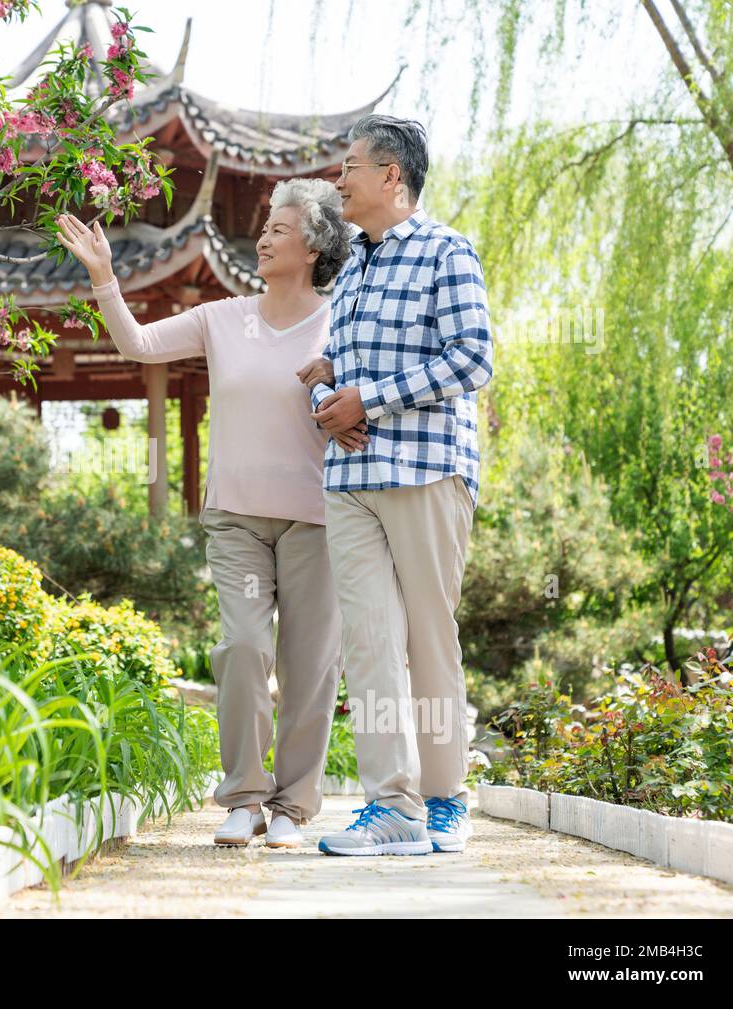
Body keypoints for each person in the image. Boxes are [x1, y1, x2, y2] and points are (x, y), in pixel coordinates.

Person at [56, 178, 355, 849]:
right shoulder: (223, 317)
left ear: (311, 245)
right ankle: (244, 796)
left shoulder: (344, 319)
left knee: (310, 667)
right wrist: (105, 277)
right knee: (245, 647)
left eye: (278, 228)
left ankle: (291, 807)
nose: (265, 237)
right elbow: (137, 343)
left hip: (318, 519)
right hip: (239, 520)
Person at [309, 113, 493, 856]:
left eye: (349, 166)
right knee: (370, 642)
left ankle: (446, 797)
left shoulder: (448, 252)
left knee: (426, 636)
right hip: (349, 476)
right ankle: (392, 806)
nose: (338, 179)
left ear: (391, 176)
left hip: (425, 470)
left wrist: (371, 399)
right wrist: (326, 403)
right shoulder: (352, 266)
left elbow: (473, 358)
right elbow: (331, 367)